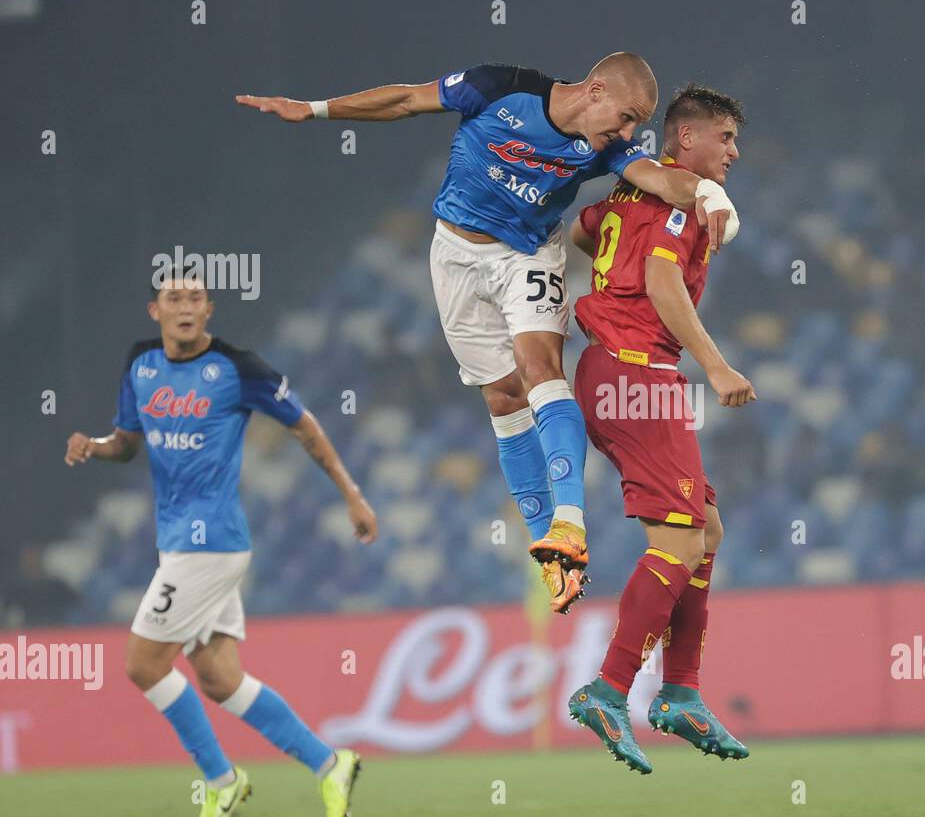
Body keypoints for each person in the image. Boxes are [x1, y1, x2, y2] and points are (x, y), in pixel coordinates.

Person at [236, 53, 740, 613]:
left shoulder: (610, 148)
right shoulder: (501, 88)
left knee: (540, 367)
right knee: (503, 398)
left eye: (634, 124)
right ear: (595, 90)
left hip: (527, 256)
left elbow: (662, 178)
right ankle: (548, 546)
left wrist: (708, 193)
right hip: (454, 256)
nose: (627, 133)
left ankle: (569, 525)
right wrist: (314, 110)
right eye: (624, 117)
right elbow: (407, 98)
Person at [65, 273, 377, 817]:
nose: (184, 308)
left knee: (142, 663)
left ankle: (221, 781)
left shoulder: (239, 368)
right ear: (154, 310)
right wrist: (96, 447)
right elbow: (127, 443)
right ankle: (331, 765)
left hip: (209, 544)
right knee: (218, 677)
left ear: (208, 310)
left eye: (194, 299)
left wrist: (351, 494)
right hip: (179, 543)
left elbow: (305, 427)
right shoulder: (141, 365)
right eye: (173, 299)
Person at [565, 84, 754, 773]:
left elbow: (586, 235)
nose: (734, 151)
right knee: (679, 539)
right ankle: (610, 688)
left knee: (706, 529)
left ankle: (679, 692)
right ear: (685, 140)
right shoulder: (683, 196)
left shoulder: (626, 199)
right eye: (724, 137)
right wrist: (718, 365)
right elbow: (662, 281)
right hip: (636, 374)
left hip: (618, 372)